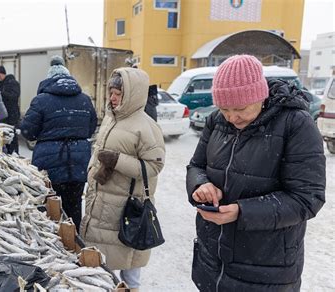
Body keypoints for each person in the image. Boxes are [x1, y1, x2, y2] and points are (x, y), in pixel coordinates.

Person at [186, 55, 325, 291]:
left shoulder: (295, 124)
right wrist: (200, 185)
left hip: (266, 269)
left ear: (259, 95)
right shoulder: (216, 121)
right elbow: (196, 166)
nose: (231, 117)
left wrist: (242, 212)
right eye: (224, 108)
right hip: (213, 261)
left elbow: (307, 198)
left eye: (240, 108)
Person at [80, 68, 166, 291]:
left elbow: (154, 166)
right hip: (101, 206)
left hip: (127, 210)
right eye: (111, 92)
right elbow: (99, 151)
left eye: (119, 93)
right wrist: (92, 173)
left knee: (129, 267)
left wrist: (118, 161)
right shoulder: (110, 118)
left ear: (133, 94)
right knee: (100, 269)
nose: (113, 97)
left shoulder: (146, 127)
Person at [20, 56, 97, 229]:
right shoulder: (84, 100)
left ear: (49, 80)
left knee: (51, 209)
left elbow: (27, 132)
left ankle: (55, 244)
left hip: (49, 165)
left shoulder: (41, 100)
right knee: (74, 207)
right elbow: (90, 128)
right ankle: (75, 243)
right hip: (78, 164)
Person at [0, 65, 21, 154]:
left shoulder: (13, 83)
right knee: (4, 135)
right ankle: (7, 152)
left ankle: (14, 153)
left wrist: (2, 93)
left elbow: (14, 96)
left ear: (4, 74)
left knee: (12, 135)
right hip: (3, 115)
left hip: (12, 114)